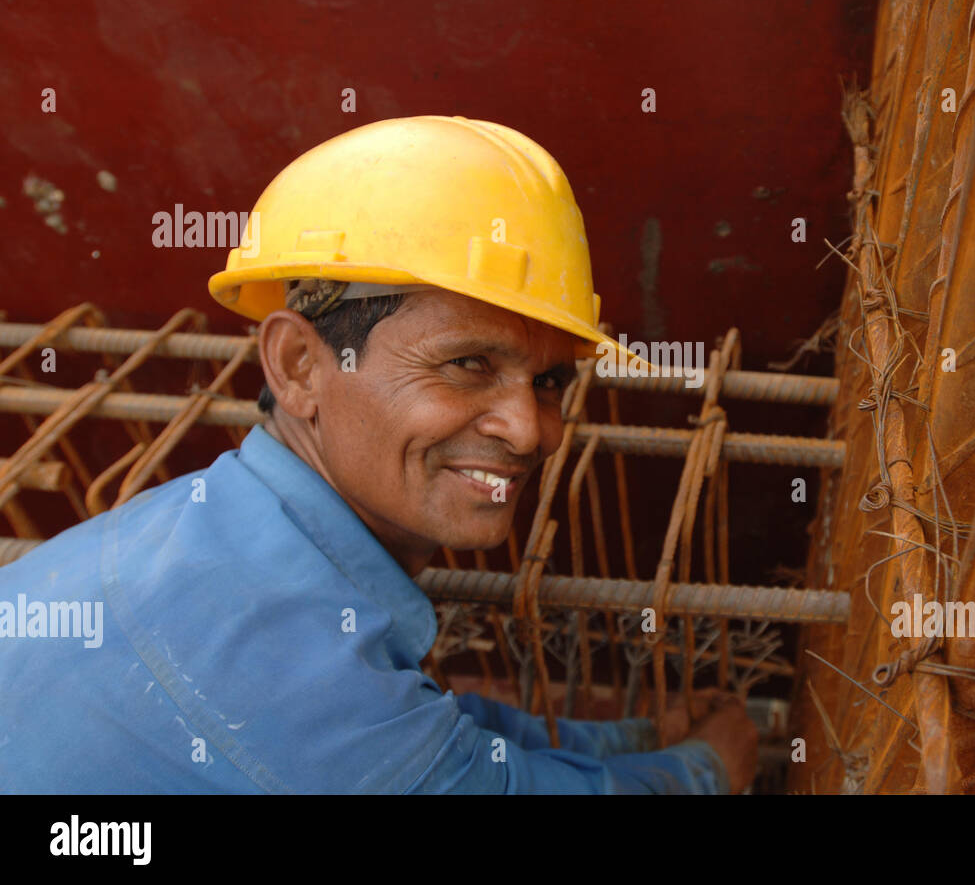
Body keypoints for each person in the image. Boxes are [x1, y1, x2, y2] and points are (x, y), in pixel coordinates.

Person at [0, 116, 758, 794]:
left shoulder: (202, 534)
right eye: (466, 364)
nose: (530, 431)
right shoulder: (289, 670)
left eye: (550, 380)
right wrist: (707, 770)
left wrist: (627, 740)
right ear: (300, 365)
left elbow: (419, 736)